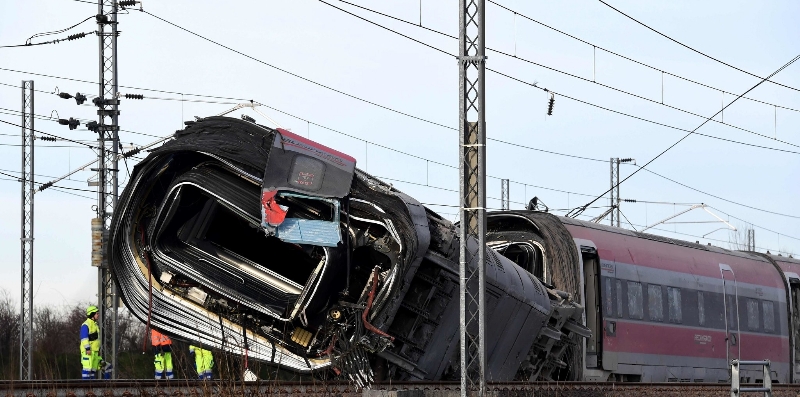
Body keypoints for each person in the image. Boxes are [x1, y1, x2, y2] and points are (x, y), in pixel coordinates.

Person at [79, 305, 112, 379]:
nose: (98, 315)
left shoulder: (95, 325)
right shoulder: (86, 325)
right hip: (88, 354)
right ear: (92, 314)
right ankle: (85, 389)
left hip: (95, 354)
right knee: (87, 371)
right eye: (97, 313)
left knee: (107, 366)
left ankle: (106, 388)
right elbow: (84, 338)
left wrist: (98, 349)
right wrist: (87, 349)